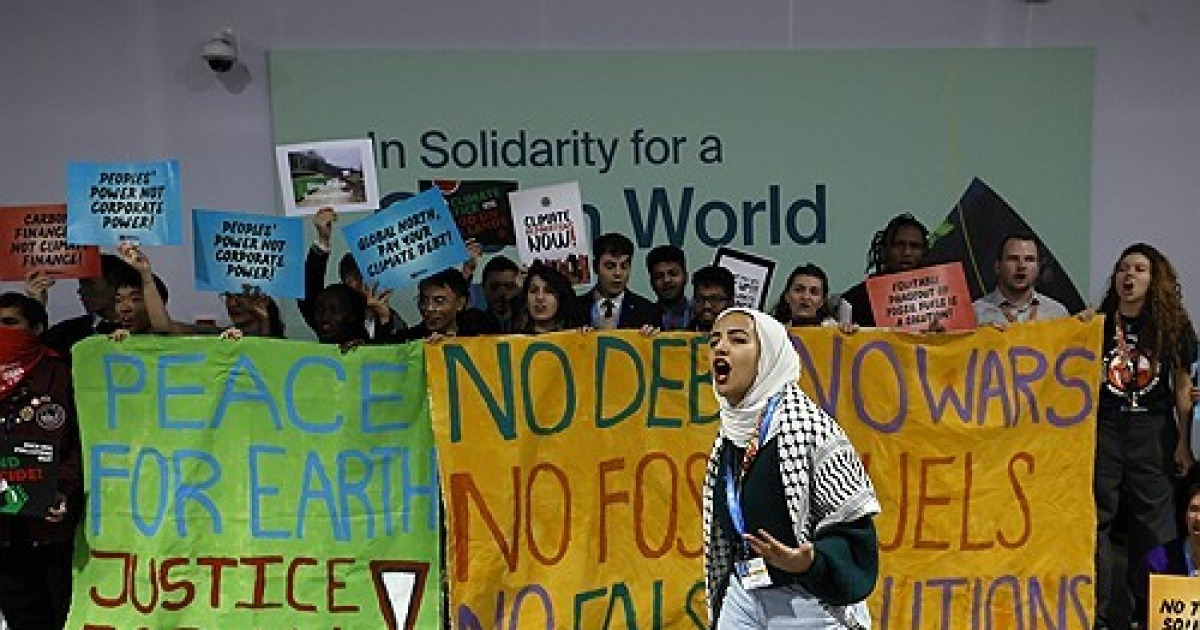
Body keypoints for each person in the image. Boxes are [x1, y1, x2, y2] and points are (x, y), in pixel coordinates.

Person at [703, 308, 880, 629]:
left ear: (768, 356)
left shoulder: (809, 428)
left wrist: (809, 561)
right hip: (744, 593)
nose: (721, 348)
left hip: (807, 601)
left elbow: (854, 531)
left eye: (738, 340)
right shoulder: (731, 431)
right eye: (715, 341)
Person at [1094, 243, 1198, 629]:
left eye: (1139, 269)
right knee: (1096, 521)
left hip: (1153, 430)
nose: (1130, 275)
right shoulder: (1098, 324)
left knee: (1153, 525)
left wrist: (1184, 442)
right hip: (1105, 429)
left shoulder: (1172, 326)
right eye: (1124, 268)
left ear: (1154, 280)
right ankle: (1098, 614)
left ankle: (1150, 612)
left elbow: (1183, 387)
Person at [0, 293, 82, 629]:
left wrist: (61, 488)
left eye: (10, 323)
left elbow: (82, 443)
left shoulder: (63, 374)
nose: (1, 332)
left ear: (37, 328)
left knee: (64, 615)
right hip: (5, 534)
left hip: (51, 528)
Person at [299, 207, 405, 342]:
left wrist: (384, 318)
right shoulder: (330, 317)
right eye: (354, 278)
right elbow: (309, 292)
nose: (363, 285)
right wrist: (323, 240)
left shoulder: (393, 320)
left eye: (368, 277)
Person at [840, 213, 928, 327]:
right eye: (898, 245)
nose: (907, 252)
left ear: (924, 252)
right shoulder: (854, 300)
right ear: (883, 251)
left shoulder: (940, 296)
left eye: (915, 246)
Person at [39, 254, 131, 356]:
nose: (81, 291)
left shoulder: (141, 328)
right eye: (81, 284)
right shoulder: (65, 333)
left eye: (89, 283)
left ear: (116, 286)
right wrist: (36, 305)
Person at [972, 232, 1069, 327]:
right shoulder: (975, 314)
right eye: (1013, 259)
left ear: (1038, 267)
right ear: (998, 266)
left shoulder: (1057, 313)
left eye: (1029, 259)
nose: (1021, 266)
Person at [574, 233, 661, 330]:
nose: (618, 273)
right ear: (595, 267)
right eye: (610, 266)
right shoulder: (574, 308)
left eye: (624, 266)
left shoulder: (648, 311)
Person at [396, 268, 501, 343]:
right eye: (424, 300)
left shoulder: (483, 328)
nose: (429, 308)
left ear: (460, 303)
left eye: (439, 301)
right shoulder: (409, 340)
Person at [514, 262, 586, 334]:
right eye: (533, 290)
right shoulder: (513, 337)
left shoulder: (578, 333)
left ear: (561, 297)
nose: (540, 297)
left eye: (549, 291)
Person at [647, 245, 691, 331]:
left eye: (673, 274)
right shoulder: (643, 317)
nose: (666, 280)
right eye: (659, 276)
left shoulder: (698, 315)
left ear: (686, 277)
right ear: (651, 282)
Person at [477, 255, 522, 333]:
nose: (501, 293)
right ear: (483, 287)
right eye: (494, 286)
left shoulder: (530, 326)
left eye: (509, 286)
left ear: (519, 289)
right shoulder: (472, 327)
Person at [690, 266, 736, 333]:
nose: (706, 306)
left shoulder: (743, 336)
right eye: (700, 299)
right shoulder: (680, 335)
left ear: (731, 302)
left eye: (715, 299)